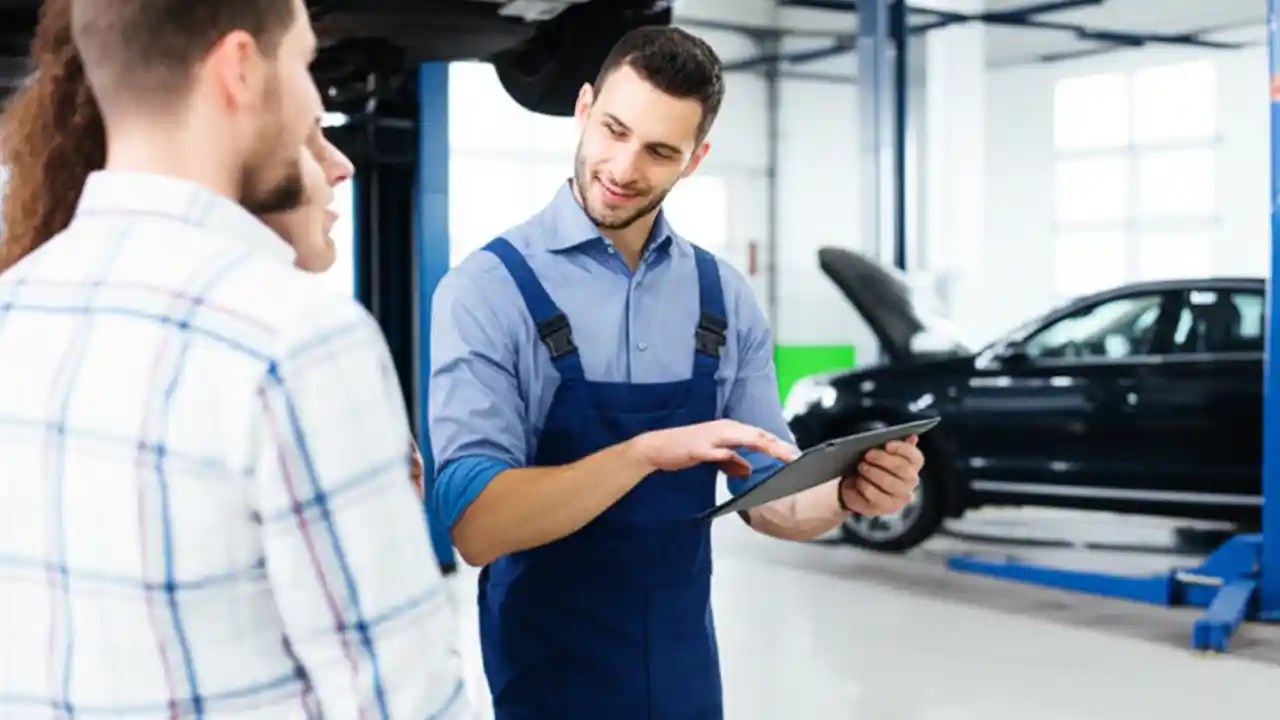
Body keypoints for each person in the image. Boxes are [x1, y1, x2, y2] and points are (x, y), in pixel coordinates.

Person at [428, 25, 926, 719]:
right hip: (549, 681)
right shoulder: (486, 290)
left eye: (660, 150)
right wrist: (643, 454)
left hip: (685, 677)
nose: (624, 167)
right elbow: (476, 527)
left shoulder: (722, 298)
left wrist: (848, 495)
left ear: (696, 159)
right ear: (581, 107)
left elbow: (771, 499)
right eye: (613, 130)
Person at [0, 0, 470, 717]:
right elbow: (404, 701)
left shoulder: (15, 307)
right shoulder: (295, 340)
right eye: (307, 65)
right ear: (241, 68)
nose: (315, 99)